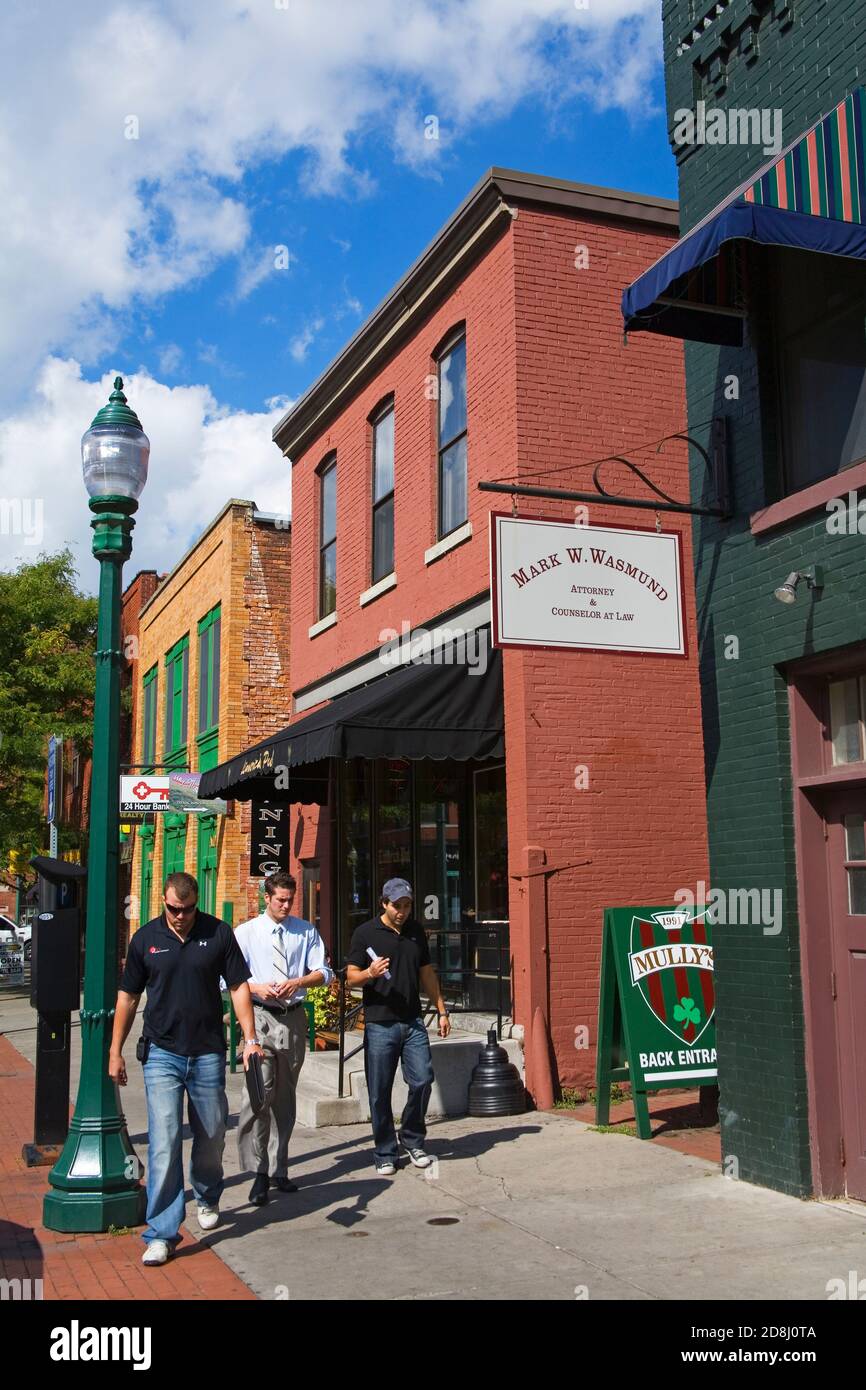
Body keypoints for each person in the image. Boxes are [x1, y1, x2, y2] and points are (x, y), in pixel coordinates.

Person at [109, 871, 263, 1267]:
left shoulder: (218, 933)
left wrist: (250, 1039)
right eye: (174, 909)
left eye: (188, 909)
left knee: (212, 1132)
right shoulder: (146, 939)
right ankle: (162, 1231)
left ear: (197, 902)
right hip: (162, 1052)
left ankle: (208, 1194)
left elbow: (239, 986)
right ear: (164, 902)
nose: (180, 916)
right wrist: (116, 1050)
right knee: (164, 1141)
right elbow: (128, 996)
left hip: (208, 1051)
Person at [234, 870, 333, 1205]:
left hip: (291, 1020)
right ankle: (258, 1172)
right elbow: (227, 981)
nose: (286, 905)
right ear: (267, 897)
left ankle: (279, 1168)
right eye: (280, 900)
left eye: (291, 900)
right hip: (259, 1018)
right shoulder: (246, 934)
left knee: (285, 1099)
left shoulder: (305, 932)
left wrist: (298, 982)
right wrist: (257, 987)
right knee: (258, 1094)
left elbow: (325, 972)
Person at [346, 878, 450, 1175]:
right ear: (384, 904)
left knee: (422, 1081)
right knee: (380, 1091)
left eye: (407, 906)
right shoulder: (365, 933)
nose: (402, 912)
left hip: (413, 1020)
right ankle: (385, 1152)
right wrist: (369, 972)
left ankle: (412, 1139)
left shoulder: (416, 932)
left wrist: (441, 1010)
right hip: (380, 1022)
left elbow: (426, 973)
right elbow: (351, 977)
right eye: (397, 906)